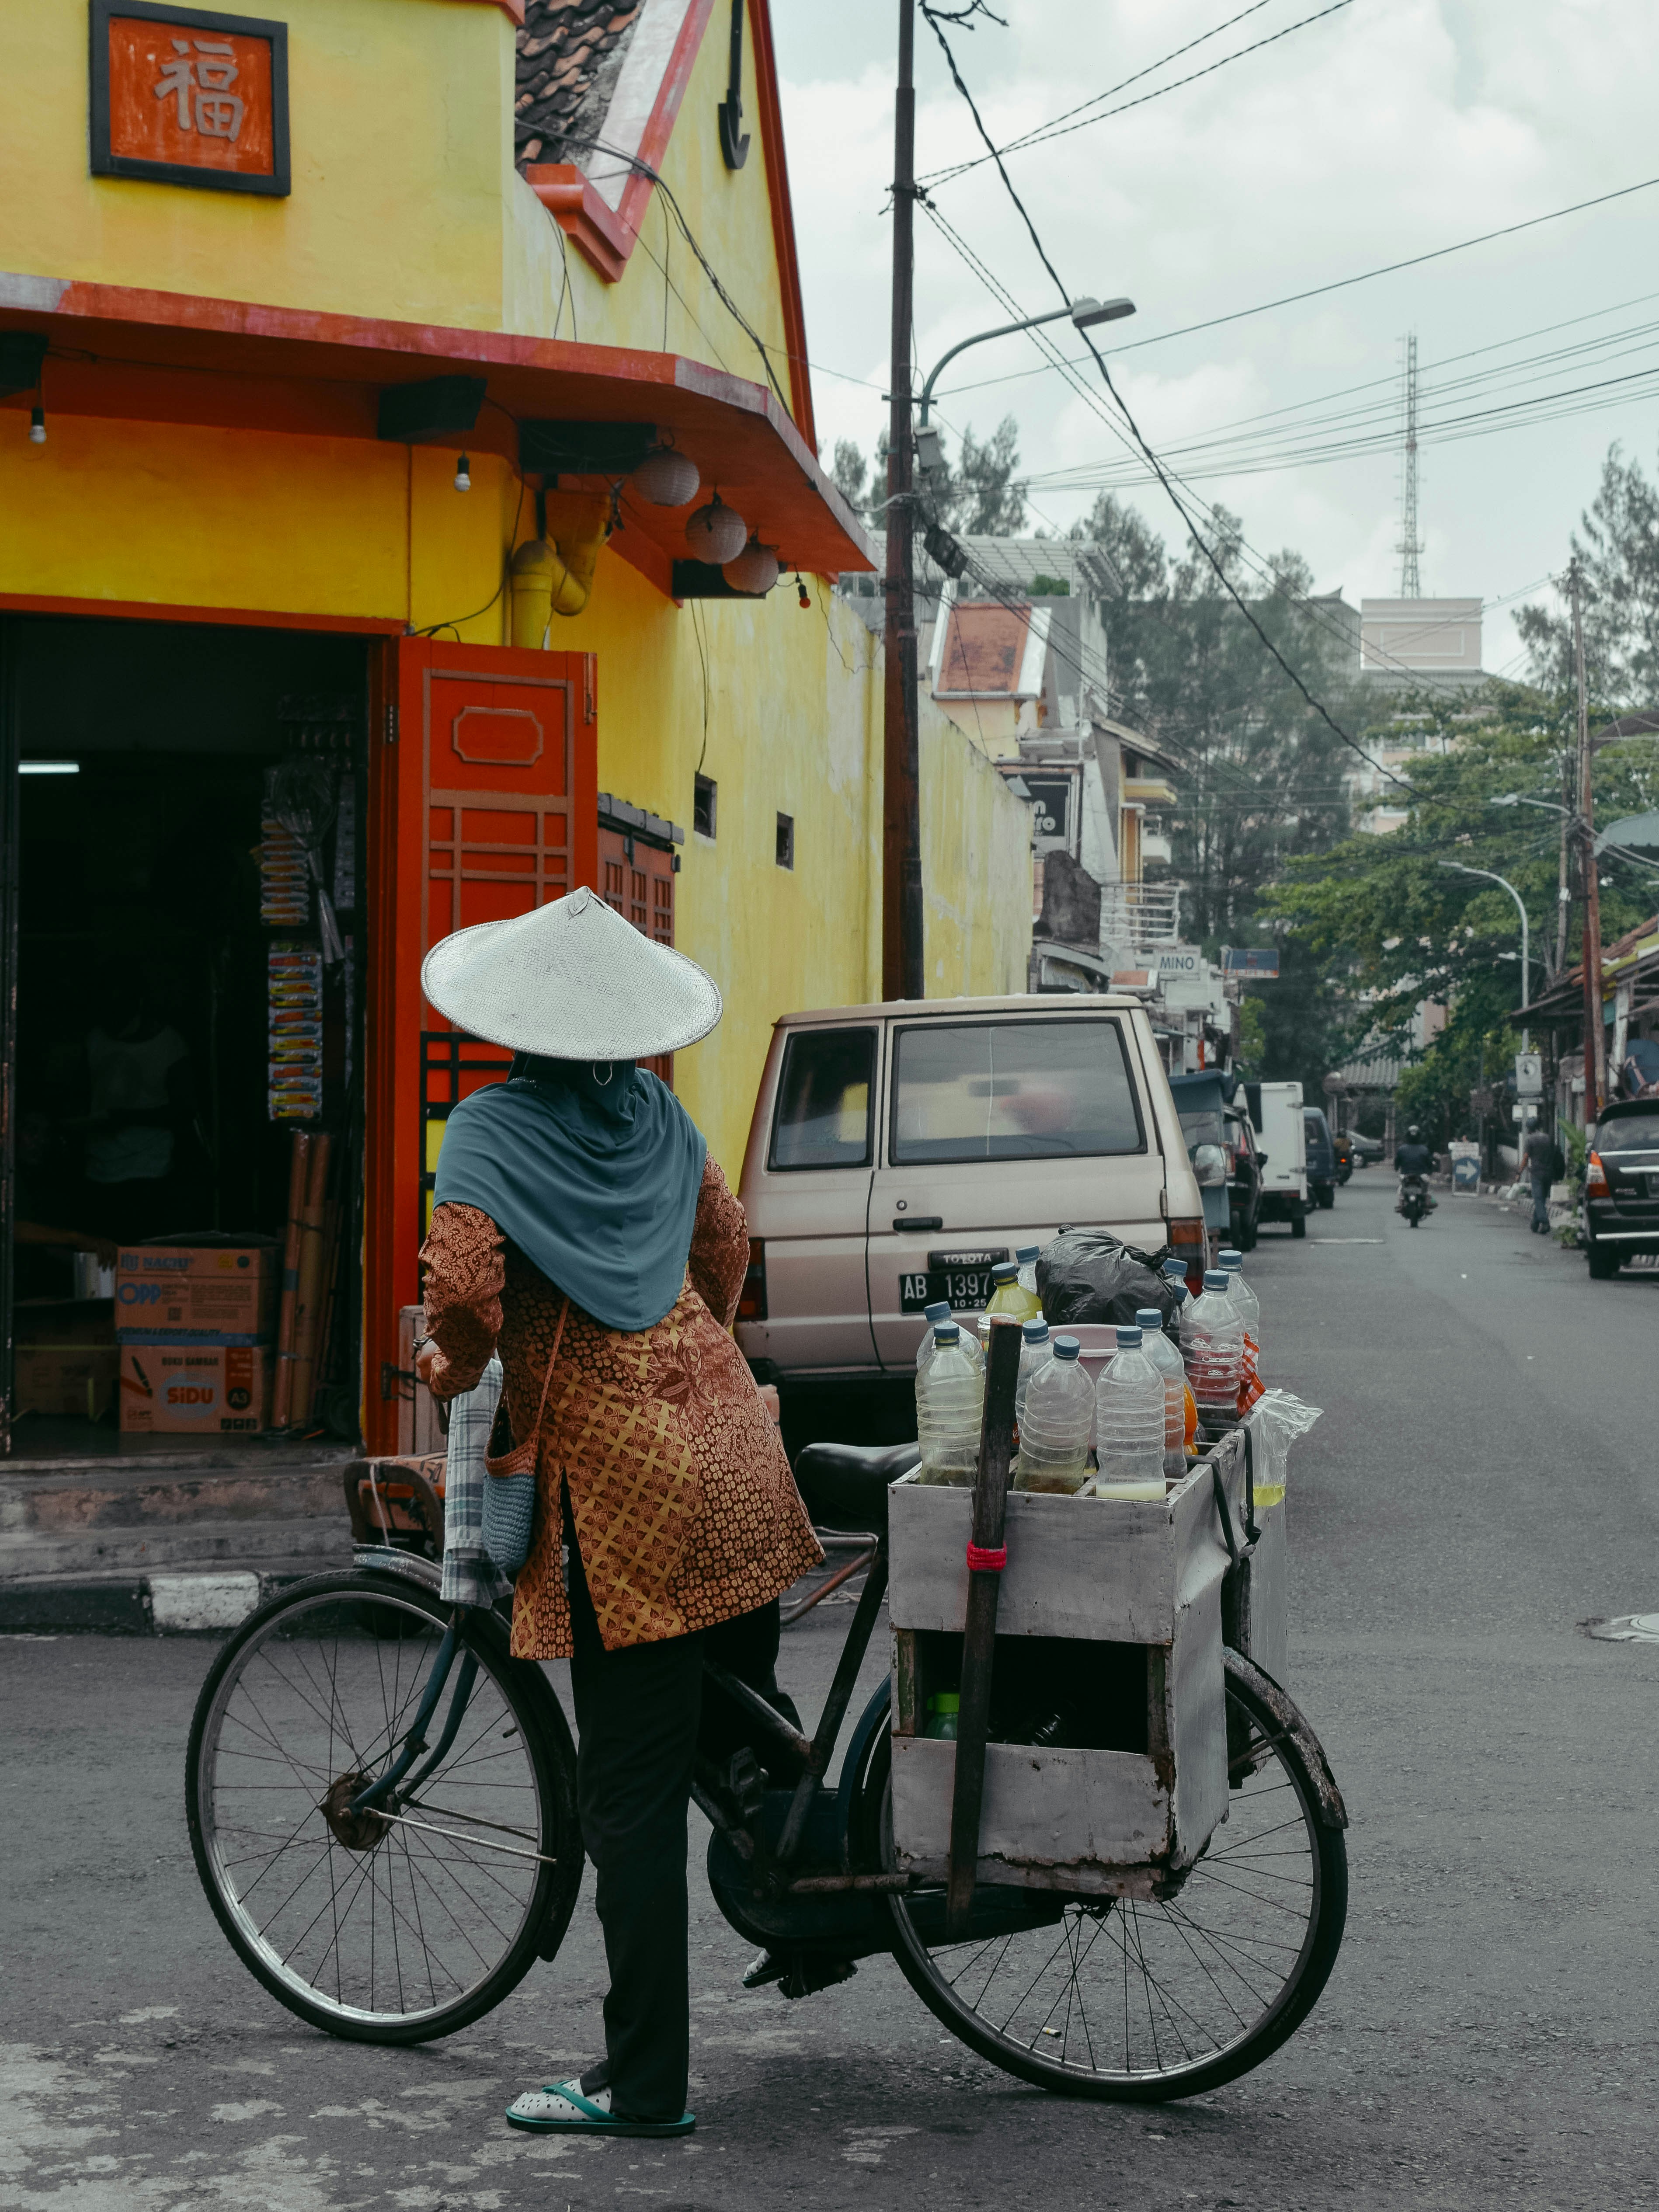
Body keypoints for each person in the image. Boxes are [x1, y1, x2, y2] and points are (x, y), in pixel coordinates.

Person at [414, 887, 822, 2144]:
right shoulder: (657, 1108)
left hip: (624, 1494)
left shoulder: (487, 1126)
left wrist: (446, 1364)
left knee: (626, 1802)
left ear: (516, 1022)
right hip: (735, 1445)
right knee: (740, 1735)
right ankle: (809, 1902)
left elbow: (468, 1290)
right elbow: (727, 1242)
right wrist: (677, 1327)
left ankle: (641, 2083)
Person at [1522, 1119, 1559, 1235]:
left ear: (1529, 1129)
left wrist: (1519, 1172)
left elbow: (1526, 1158)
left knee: (1538, 1199)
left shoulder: (1530, 1140)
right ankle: (1535, 1223)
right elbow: (1555, 1155)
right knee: (1541, 1199)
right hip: (1549, 1172)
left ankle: (1545, 1222)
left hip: (1537, 1173)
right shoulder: (1548, 1138)